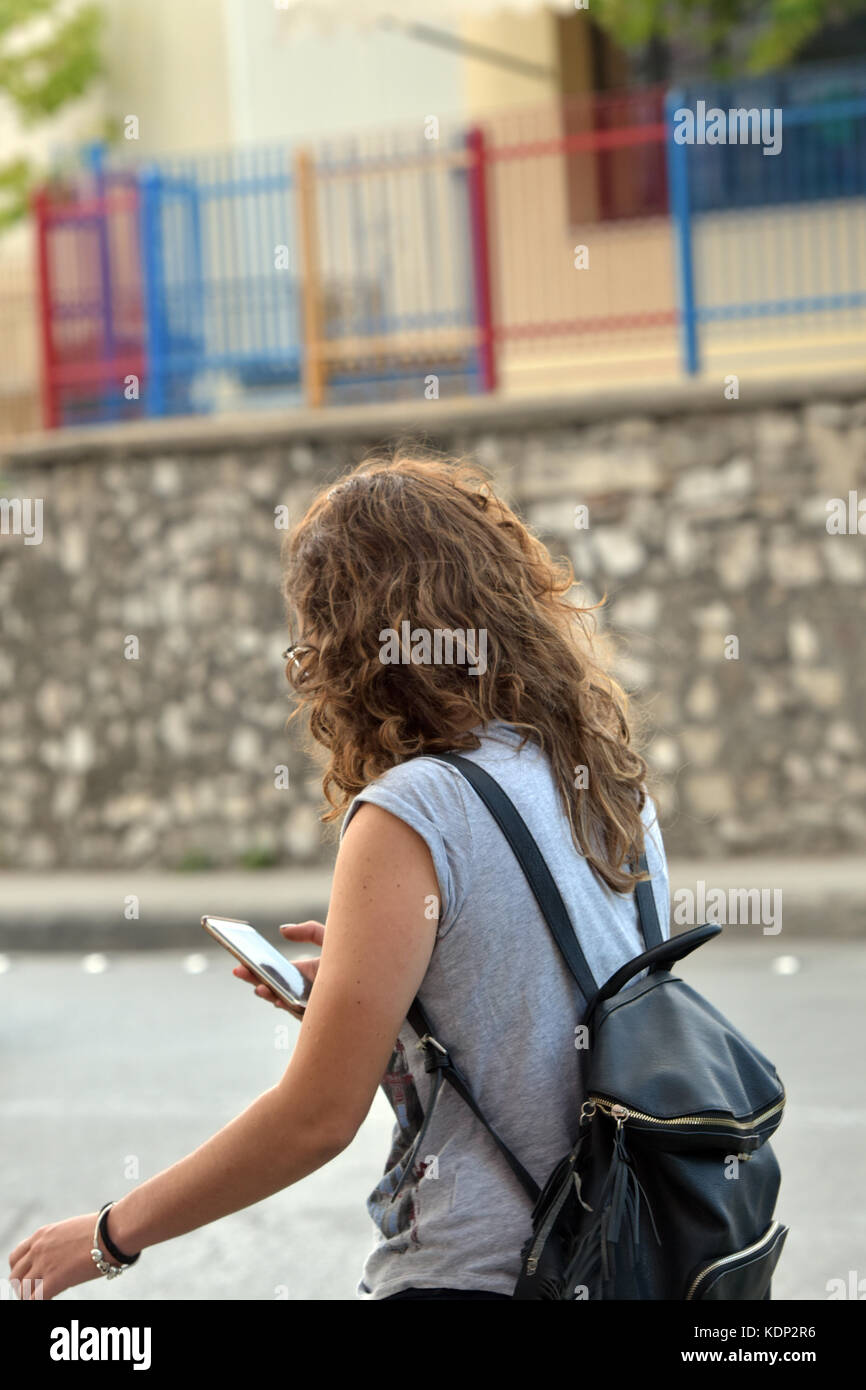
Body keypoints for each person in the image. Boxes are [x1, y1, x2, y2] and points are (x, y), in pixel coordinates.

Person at [8, 452, 669, 1301]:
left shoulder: (414, 809)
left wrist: (106, 1237)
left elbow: (315, 1119)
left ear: (355, 639)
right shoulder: (603, 777)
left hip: (486, 1273)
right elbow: (560, 1006)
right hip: (632, 1255)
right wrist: (385, 990)